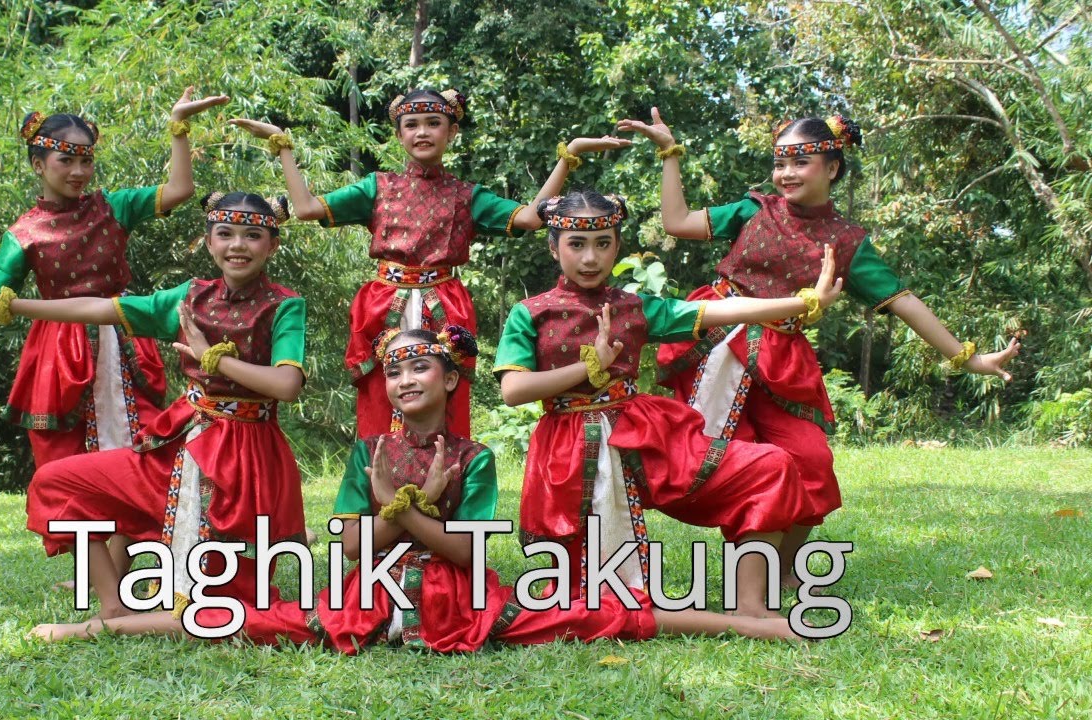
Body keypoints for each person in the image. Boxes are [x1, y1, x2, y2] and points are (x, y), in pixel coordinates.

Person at [28, 328, 798, 644]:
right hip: (367, 599)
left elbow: (467, 557)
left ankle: (745, 623)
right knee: (247, 619)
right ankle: (101, 625)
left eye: (418, 365)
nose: (402, 378)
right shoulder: (367, 452)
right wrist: (409, 505)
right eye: (392, 369)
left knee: (595, 610)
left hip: (464, 604)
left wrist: (418, 509)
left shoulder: (477, 456)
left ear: (450, 377)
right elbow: (357, 546)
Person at [619, 109, 1021, 586]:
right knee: (731, 460)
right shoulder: (755, 210)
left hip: (780, 361)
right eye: (780, 162)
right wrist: (670, 152)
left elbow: (904, 301)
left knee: (810, 460)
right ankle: (744, 578)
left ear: (831, 167)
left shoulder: (848, 241)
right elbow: (677, 221)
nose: (786, 173)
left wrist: (967, 357)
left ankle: (783, 572)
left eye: (801, 161)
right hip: (717, 345)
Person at [0, 191, 306, 620]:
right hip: (179, 441)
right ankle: (113, 606)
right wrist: (12, 306)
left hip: (245, 458)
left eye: (253, 235)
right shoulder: (189, 298)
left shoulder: (284, 305)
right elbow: (98, 307)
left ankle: (141, 613)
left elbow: (287, 384)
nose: (238, 245)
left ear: (272, 245)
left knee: (225, 601)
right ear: (209, 241)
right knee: (57, 481)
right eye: (226, 233)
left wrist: (215, 359)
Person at [495, 190, 844, 616]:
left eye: (603, 243)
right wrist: (589, 369)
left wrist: (804, 302)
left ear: (617, 246)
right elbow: (513, 390)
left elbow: (728, 310)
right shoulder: (530, 313)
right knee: (581, 601)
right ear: (554, 247)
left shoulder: (635, 307)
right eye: (577, 244)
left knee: (769, 466)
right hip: (568, 454)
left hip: (642, 437)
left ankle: (749, 605)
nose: (590, 258)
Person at [230, 88, 629, 437]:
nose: (422, 132)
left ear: (451, 132)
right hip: (383, 304)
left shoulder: (465, 195)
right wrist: (283, 146)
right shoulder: (377, 187)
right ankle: (377, 497)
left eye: (434, 123)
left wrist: (568, 156)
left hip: (445, 303)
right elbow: (306, 208)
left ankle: (448, 499)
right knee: (378, 393)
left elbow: (528, 218)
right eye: (412, 124)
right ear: (399, 133)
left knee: (448, 393)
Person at [0, 88, 229, 470]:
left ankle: (138, 526)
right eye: (66, 160)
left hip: (125, 329)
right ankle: (76, 529)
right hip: (61, 350)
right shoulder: (24, 235)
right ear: (38, 165)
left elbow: (180, 190)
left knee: (143, 441)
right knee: (65, 450)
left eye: (86, 160)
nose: (79, 172)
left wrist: (178, 126)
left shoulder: (113, 207)